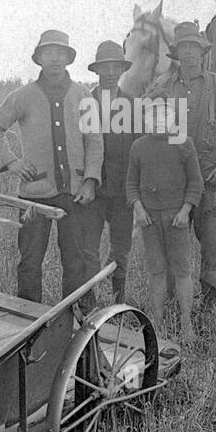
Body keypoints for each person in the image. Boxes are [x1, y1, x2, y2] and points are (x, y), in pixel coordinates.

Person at [0, 30, 103, 305]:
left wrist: (90, 181)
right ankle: (29, 325)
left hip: (74, 194)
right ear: (39, 58)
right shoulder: (23, 96)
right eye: (48, 53)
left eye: (60, 53)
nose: (54, 59)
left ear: (68, 58)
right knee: (29, 261)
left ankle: (77, 323)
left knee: (76, 263)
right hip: (34, 196)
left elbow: (94, 141)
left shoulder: (83, 95)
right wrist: (12, 162)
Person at [145, 20, 216, 313]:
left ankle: (213, 303)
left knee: (212, 243)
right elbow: (147, 127)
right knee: (174, 243)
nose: (189, 54)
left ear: (202, 51)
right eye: (183, 48)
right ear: (176, 53)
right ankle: (176, 301)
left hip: (209, 178)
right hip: (172, 182)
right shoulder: (162, 86)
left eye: (194, 48)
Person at [126, 99, 203, 338]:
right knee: (156, 270)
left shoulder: (184, 143)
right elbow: (131, 184)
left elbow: (195, 183)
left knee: (182, 270)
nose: (159, 120)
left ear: (173, 118)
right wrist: (138, 208)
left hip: (176, 219)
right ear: (145, 118)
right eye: (152, 115)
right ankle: (156, 325)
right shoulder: (139, 146)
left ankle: (186, 324)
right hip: (149, 219)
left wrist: (185, 210)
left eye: (164, 115)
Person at [78, 40, 138, 304]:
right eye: (105, 67)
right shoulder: (84, 103)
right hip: (93, 191)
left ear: (122, 70)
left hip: (123, 193)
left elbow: (139, 148)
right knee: (88, 250)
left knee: (121, 250)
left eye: (116, 67)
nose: (111, 72)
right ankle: (89, 303)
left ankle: (118, 303)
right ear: (96, 71)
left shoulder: (132, 105)